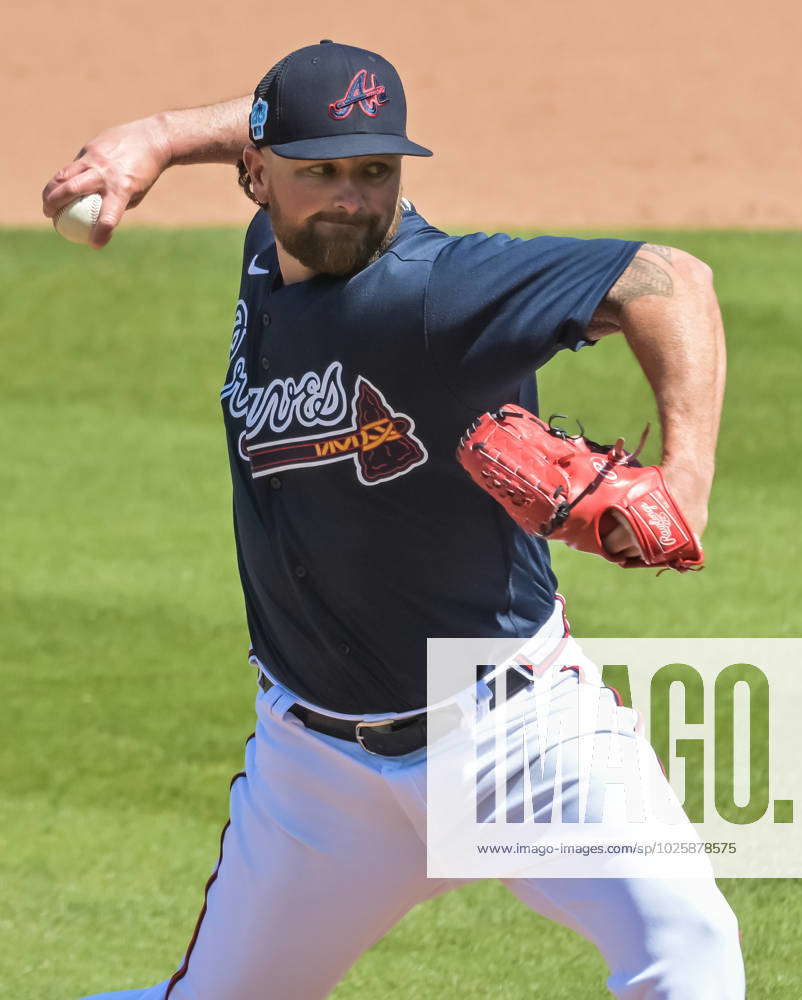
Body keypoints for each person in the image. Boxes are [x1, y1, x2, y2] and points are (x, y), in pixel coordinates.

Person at [42, 40, 744, 1000]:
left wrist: (685, 477)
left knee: (690, 950)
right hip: (313, 776)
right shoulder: (270, 257)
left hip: (515, 733)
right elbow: (261, 120)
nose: (348, 197)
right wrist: (156, 138)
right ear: (255, 176)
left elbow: (669, 279)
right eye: (319, 172)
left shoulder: (437, 290)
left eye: (374, 170)